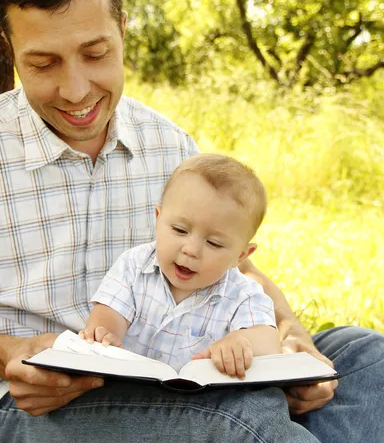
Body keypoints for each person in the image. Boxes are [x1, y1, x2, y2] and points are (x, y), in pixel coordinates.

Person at [0, 0, 382, 443]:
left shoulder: (169, 145)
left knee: (364, 359)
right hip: (37, 414)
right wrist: (5, 354)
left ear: (123, 29)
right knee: (238, 428)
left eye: (95, 55)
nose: (75, 90)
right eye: (42, 64)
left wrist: (291, 338)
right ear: (7, 45)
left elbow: (230, 263)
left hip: (184, 377)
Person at [81, 154, 280, 379]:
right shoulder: (134, 265)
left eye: (213, 243)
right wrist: (105, 335)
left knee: (266, 400)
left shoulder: (242, 294)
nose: (191, 249)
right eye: (179, 230)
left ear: (241, 255)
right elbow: (108, 313)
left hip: (203, 404)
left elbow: (269, 343)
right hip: (130, 393)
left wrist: (242, 342)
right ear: (158, 218)